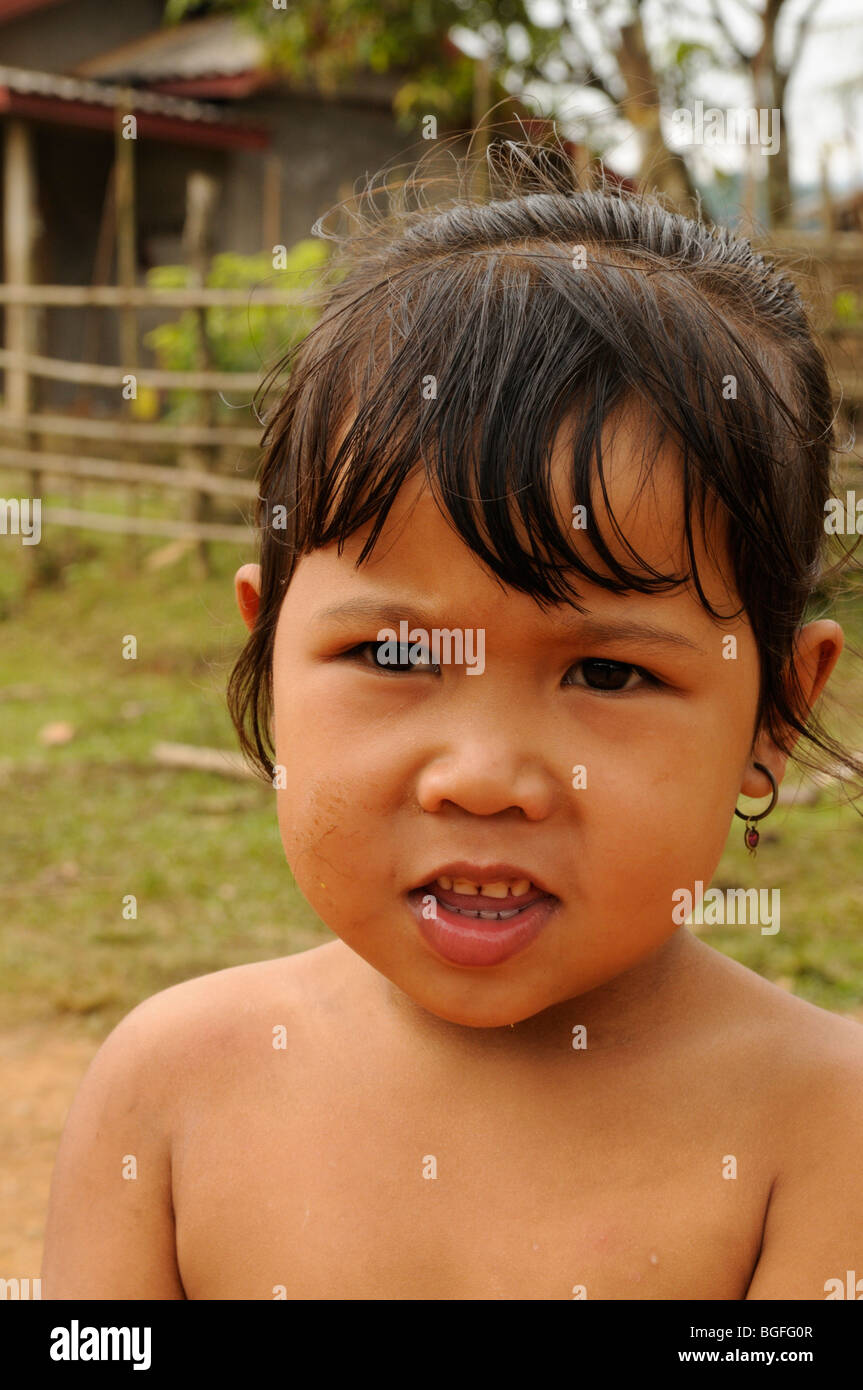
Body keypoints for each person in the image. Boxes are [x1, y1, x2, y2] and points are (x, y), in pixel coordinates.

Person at [42, 139, 863, 1300]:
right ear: (269, 653)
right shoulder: (170, 1094)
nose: (481, 778)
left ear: (772, 713)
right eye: (393, 653)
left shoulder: (819, 1134)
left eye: (608, 676)